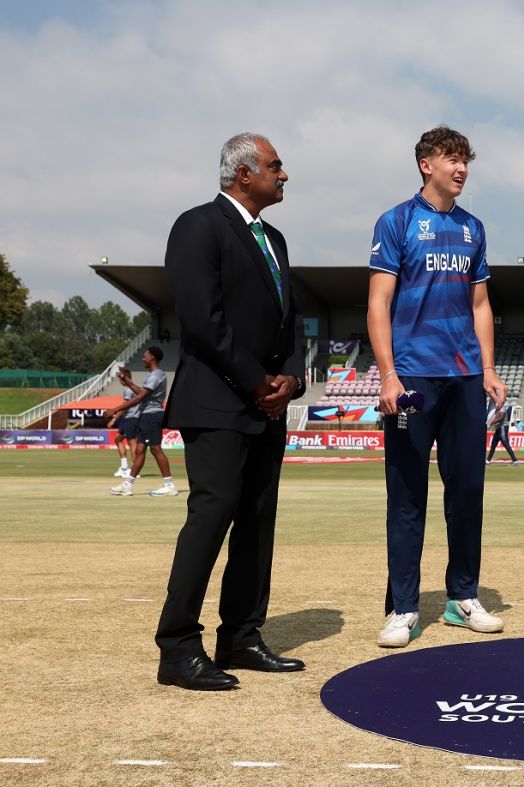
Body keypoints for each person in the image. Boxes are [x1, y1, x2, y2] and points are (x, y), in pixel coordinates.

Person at [154, 132, 307, 691]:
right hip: (217, 401)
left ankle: (241, 635)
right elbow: (201, 318)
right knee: (211, 517)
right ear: (244, 174)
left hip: (267, 407)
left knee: (257, 523)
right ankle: (176, 647)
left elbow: (290, 321)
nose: (284, 174)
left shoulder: (276, 240)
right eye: (275, 165)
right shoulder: (198, 225)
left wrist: (290, 380)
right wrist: (256, 380)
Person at [367, 125, 507, 649]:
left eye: (466, 159)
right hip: (413, 379)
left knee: (467, 491)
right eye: (452, 158)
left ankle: (462, 597)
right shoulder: (397, 220)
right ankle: (403, 607)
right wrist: (388, 373)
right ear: (426, 164)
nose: (462, 167)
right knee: (407, 496)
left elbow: (480, 305)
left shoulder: (473, 228)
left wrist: (489, 369)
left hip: (465, 377)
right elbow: (378, 302)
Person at [106, 348, 176, 497]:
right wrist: (127, 381)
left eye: (145, 356)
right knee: (140, 450)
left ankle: (169, 485)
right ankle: (128, 485)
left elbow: (139, 398)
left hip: (152, 416)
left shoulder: (157, 375)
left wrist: (115, 410)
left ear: (152, 357)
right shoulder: (153, 375)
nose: (143, 358)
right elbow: (141, 393)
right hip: (146, 416)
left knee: (155, 449)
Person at [108, 373, 139, 478]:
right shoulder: (134, 389)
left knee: (132, 443)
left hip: (131, 418)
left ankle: (134, 471)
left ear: (124, 378)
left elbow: (125, 407)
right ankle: (124, 467)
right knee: (118, 439)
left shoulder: (128, 390)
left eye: (120, 379)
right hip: (131, 418)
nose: (120, 382)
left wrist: (114, 419)